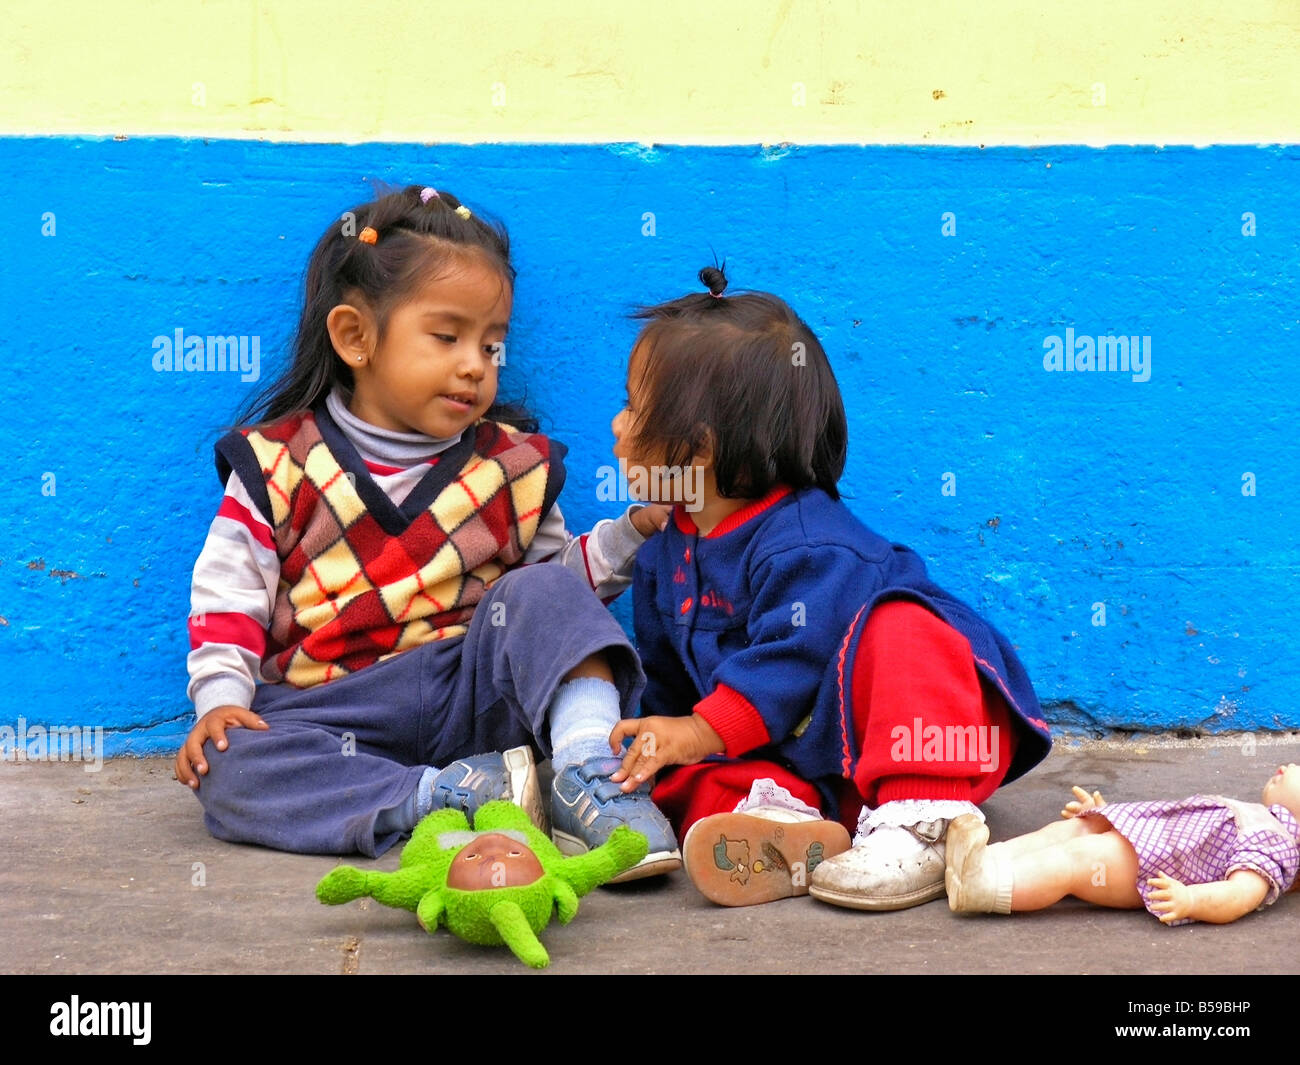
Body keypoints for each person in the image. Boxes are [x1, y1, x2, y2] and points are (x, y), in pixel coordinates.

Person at [174, 184, 678, 877]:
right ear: (356, 336)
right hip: (330, 708)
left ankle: (590, 776)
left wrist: (631, 531)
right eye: (447, 337)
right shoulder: (279, 463)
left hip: (468, 690)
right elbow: (227, 598)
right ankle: (446, 795)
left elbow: (557, 604)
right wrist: (221, 701)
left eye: (492, 344)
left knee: (540, 591)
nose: (476, 364)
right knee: (227, 765)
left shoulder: (513, 466)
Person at [605, 265, 1053, 909]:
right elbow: (671, 677)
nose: (618, 427)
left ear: (698, 450)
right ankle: (788, 825)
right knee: (684, 781)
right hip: (812, 760)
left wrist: (698, 729)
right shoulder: (666, 552)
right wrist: (659, 735)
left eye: (633, 408)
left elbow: (794, 661)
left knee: (905, 627)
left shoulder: (808, 545)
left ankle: (923, 819)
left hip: (918, 726)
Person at [946, 772, 1300, 924]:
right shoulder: (1262, 819)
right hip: (1142, 841)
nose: (1289, 766)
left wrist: (1191, 900)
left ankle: (987, 887)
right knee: (1073, 829)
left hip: (1150, 866)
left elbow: (1242, 893)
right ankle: (986, 859)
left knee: (1079, 859)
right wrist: (1112, 814)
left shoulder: (1277, 843)